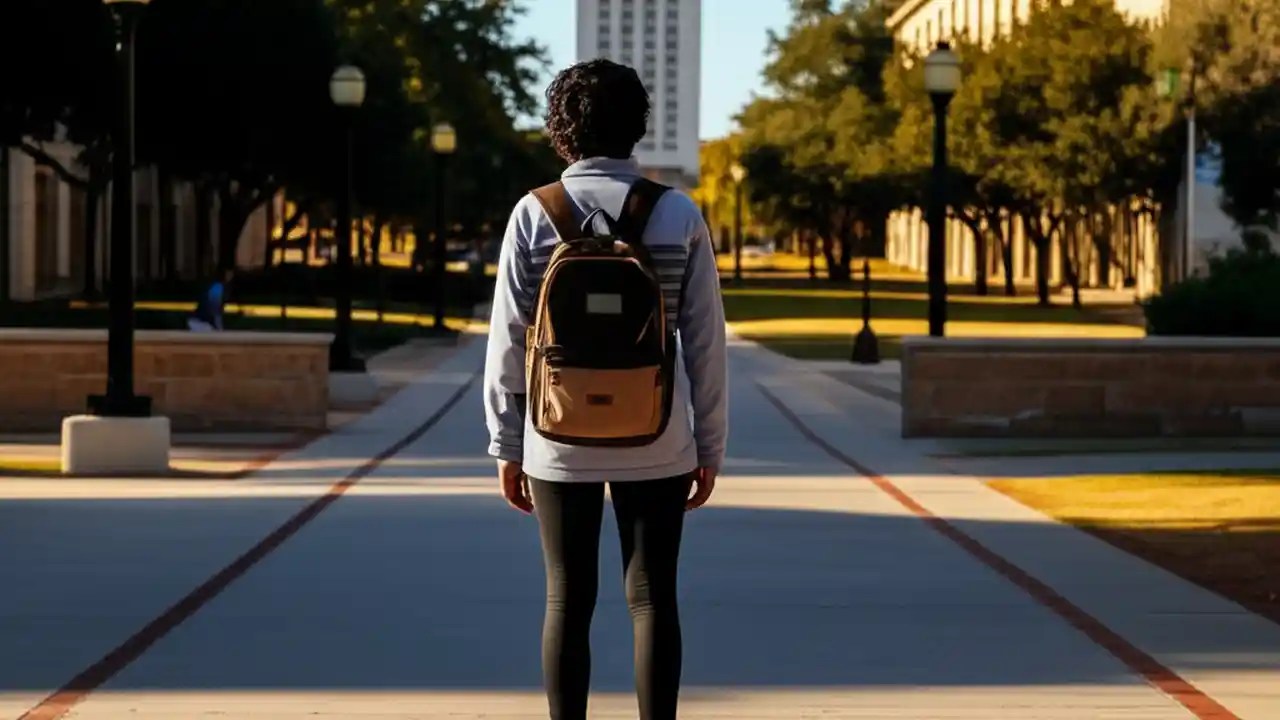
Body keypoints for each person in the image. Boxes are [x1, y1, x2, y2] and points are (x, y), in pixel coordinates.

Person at [483, 59, 728, 720]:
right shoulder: (678, 214)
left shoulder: (534, 215)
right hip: (659, 437)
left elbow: (507, 338)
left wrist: (506, 445)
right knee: (653, 596)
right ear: (637, 128)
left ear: (560, 132)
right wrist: (710, 443)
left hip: (556, 436)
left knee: (566, 596)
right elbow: (706, 343)